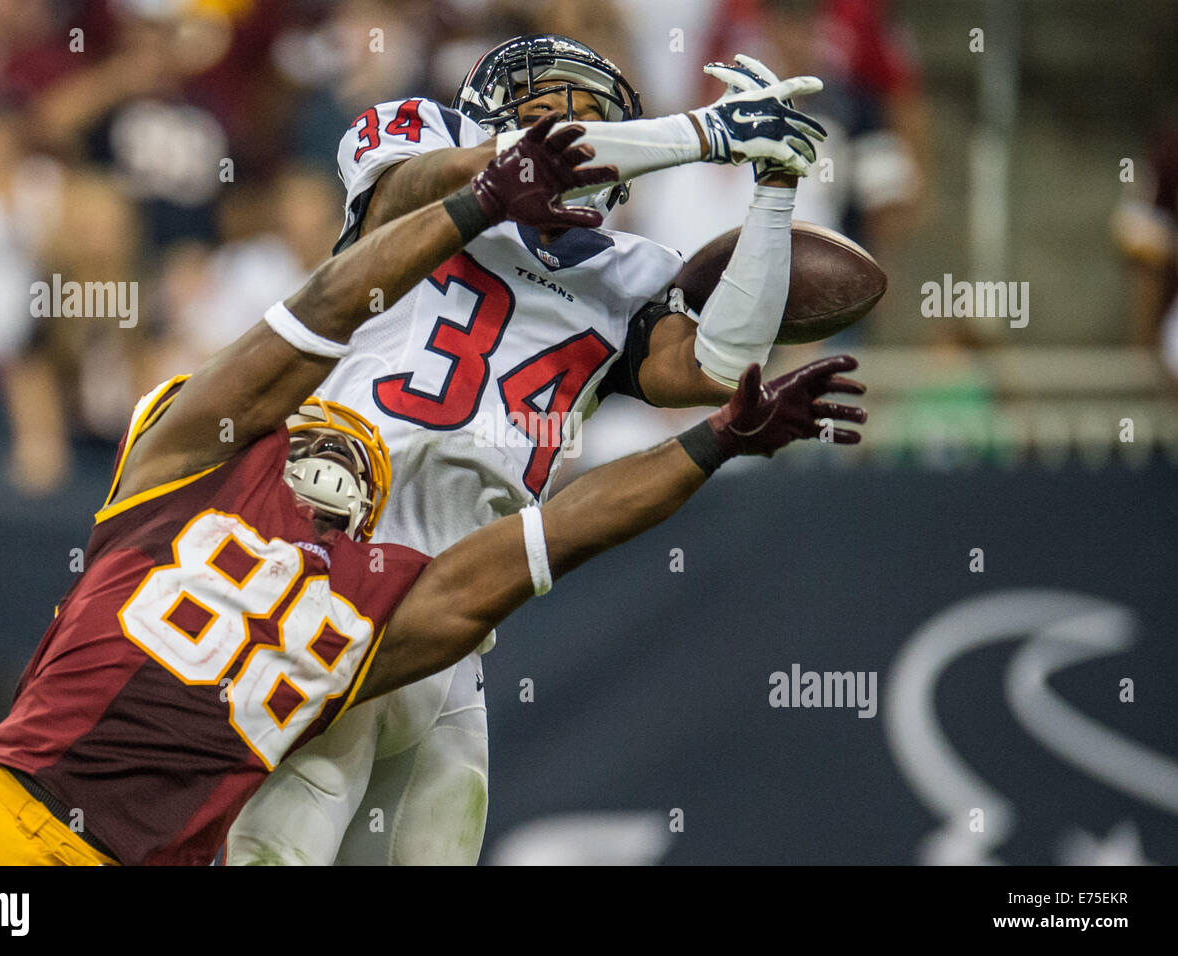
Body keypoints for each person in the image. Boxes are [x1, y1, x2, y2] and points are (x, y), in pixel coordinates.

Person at [0, 115, 866, 866]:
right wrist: (476, 203)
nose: (337, 468)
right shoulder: (195, 481)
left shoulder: (342, 585)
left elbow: (551, 535)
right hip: (8, 826)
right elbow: (323, 309)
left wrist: (715, 438)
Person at [226, 34, 833, 865]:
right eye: (548, 112)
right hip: (331, 552)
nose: (570, 137)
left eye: (593, 125)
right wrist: (710, 132)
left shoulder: (626, 273)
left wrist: (772, 191)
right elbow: (461, 177)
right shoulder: (418, 150)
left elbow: (721, 366)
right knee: (290, 830)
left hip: (459, 603)